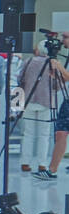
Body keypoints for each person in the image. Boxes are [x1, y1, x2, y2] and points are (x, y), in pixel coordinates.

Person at [17, 39, 68, 174]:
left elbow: (20, 79)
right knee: (44, 135)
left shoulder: (28, 61)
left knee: (28, 133)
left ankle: (25, 162)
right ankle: (42, 164)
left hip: (29, 100)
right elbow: (58, 85)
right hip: (46, 101)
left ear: (38, 50)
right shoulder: (53, 64)